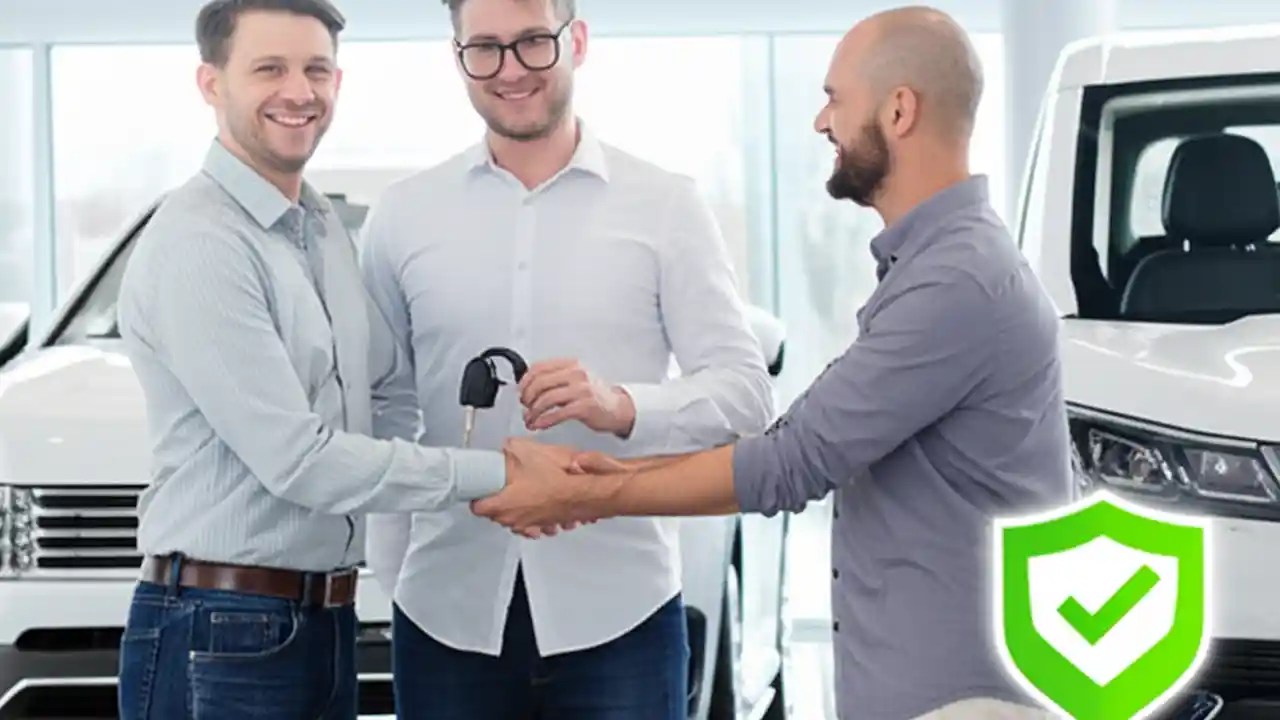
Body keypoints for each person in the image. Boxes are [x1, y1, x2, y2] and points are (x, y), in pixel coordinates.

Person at [473, 6, 1073, 720]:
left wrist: (585, 491)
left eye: (835, 99)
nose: (823, 123)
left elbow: (794, 459)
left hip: (964, 701)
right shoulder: (939, 267)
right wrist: (602, 478)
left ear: (900, 110)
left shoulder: (958, 281)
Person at [359, 0, 774, 716]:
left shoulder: (666, 205)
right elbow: (381, 407)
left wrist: (623, 406)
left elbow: (745, 396)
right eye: (484, 48)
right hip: (442, 612)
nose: (510, 69)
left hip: (622, 614)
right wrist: (392, 581)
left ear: (576, 40)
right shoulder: (402, 215)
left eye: (532, 43)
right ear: (456, 56)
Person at [113, 1, 513, 718]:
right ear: (210, 83)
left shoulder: (319, 223)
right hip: (219, 628)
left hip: (322, 620)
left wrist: (396, 465)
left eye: (316, 70)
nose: (299, 91)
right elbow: (300, 461)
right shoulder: (202, 242)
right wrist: (501, 476)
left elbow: (388, 382)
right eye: (269, 68)